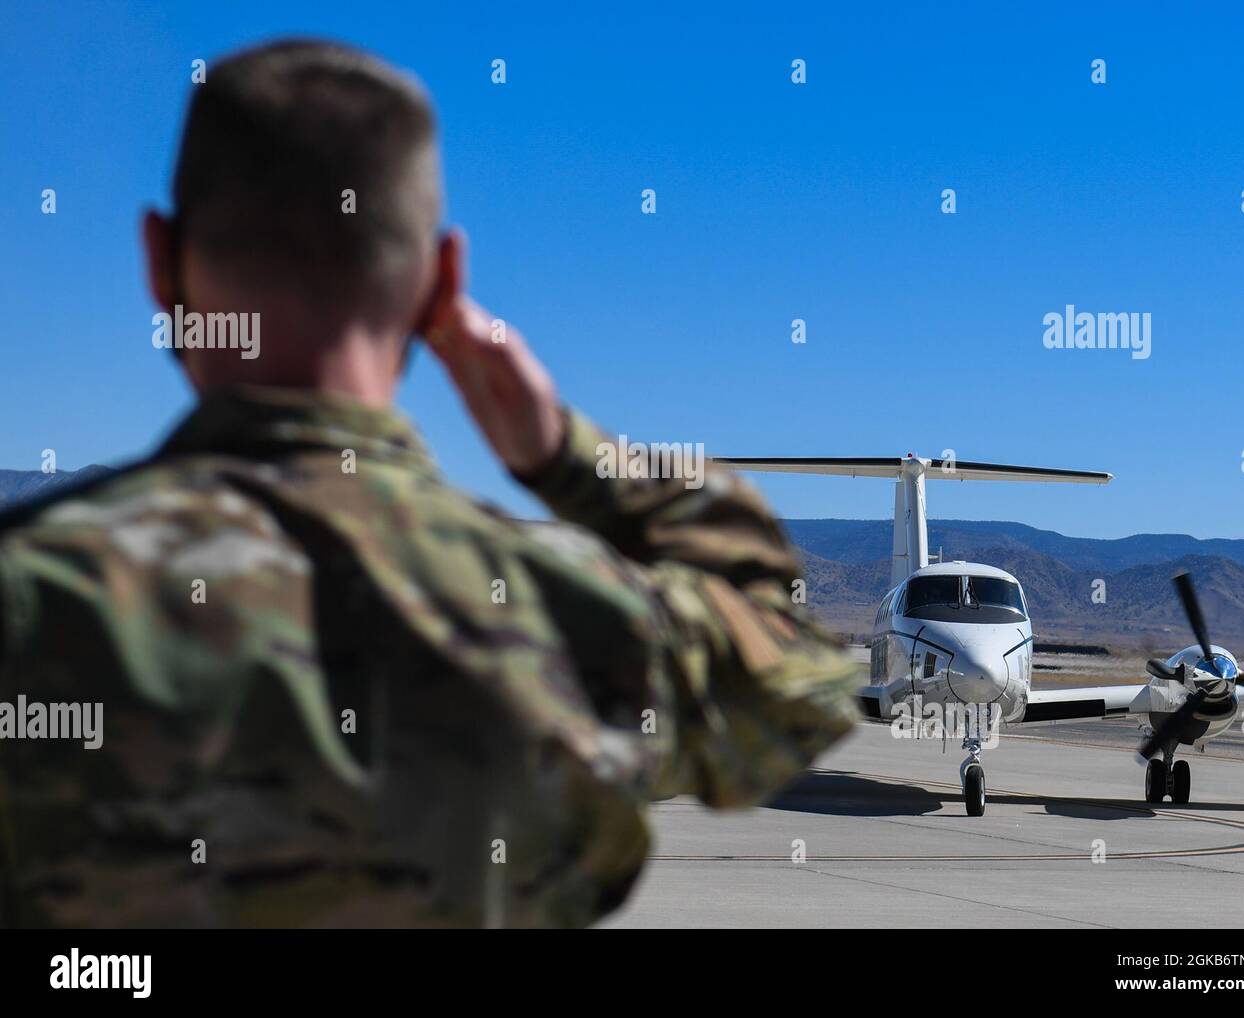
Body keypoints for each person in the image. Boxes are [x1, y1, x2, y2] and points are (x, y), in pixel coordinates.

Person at [0, 39, 860, 928]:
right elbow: (797, 675)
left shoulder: (32, 598)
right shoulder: (563, 616)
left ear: (158, 261)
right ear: (444, 279)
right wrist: (569, 454)